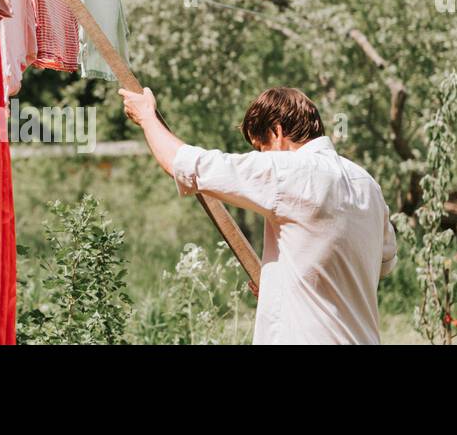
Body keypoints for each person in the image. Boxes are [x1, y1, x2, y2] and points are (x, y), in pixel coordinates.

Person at [118, 86, 397, 344]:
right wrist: (285, 288)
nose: (262, 156)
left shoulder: (288, 170)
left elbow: (188, 165)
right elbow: (380, 266)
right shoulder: (367, 184)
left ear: (276, 132)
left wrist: (146, 117)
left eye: (260, 148)